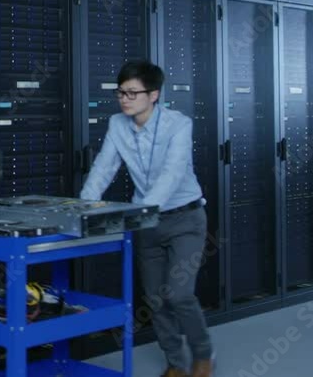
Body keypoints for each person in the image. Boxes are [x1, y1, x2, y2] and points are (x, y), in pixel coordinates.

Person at [79, 60, 214, 377]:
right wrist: (83, 208)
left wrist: (143, 210)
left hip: (185, 218)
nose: (125, 99)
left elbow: (172, 173)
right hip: (147, 225)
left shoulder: (178, 125)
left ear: (153, 95)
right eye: (121, 92)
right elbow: (103, 168)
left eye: (132, 93)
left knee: (179, 295)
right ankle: (176, 363)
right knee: (155, 299)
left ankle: (204, 353)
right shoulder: (117, 124)